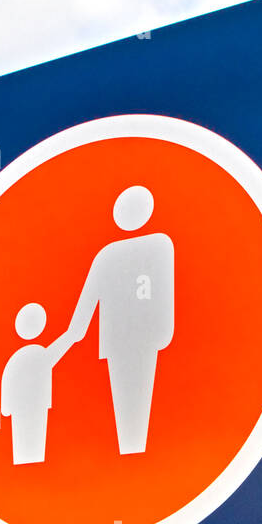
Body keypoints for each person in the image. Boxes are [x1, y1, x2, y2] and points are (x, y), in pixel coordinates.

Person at [64, 185, 174, 454]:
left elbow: (86, 307)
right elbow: (88, 302)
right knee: (131, 399)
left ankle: (134, 450)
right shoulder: (154, 245)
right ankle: (132, 451)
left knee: (131, 399)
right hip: (136, 339)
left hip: (131, 339)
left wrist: (71, 335)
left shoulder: (126, 251)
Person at [0, 302, 74, 464]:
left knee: (28, 448)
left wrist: (6, 408)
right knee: (32, 445)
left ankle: (28, 465)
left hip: (28, 408)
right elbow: (55, 352)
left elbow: (7, 380)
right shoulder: (38, 354)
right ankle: (28, 465)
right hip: (35, 407)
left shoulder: (17, 358)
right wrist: (71, 335)